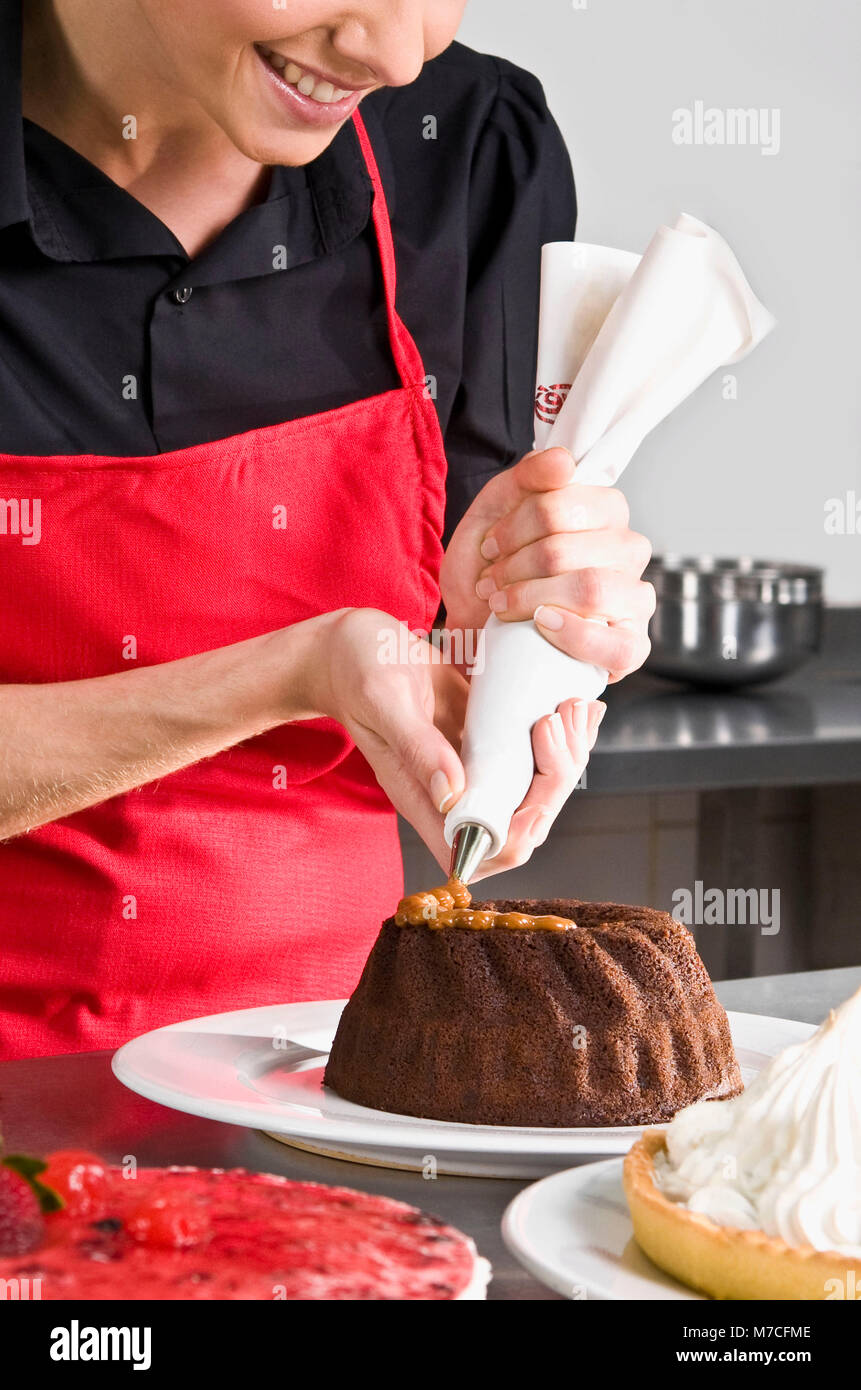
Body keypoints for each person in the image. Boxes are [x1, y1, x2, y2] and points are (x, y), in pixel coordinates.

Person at [0, 0, 654, 1058]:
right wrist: (291, 673)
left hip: (325, 1094)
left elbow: (449, 654)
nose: (395, 53)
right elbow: (331, 668)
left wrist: (528, 638)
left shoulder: (464, 149)